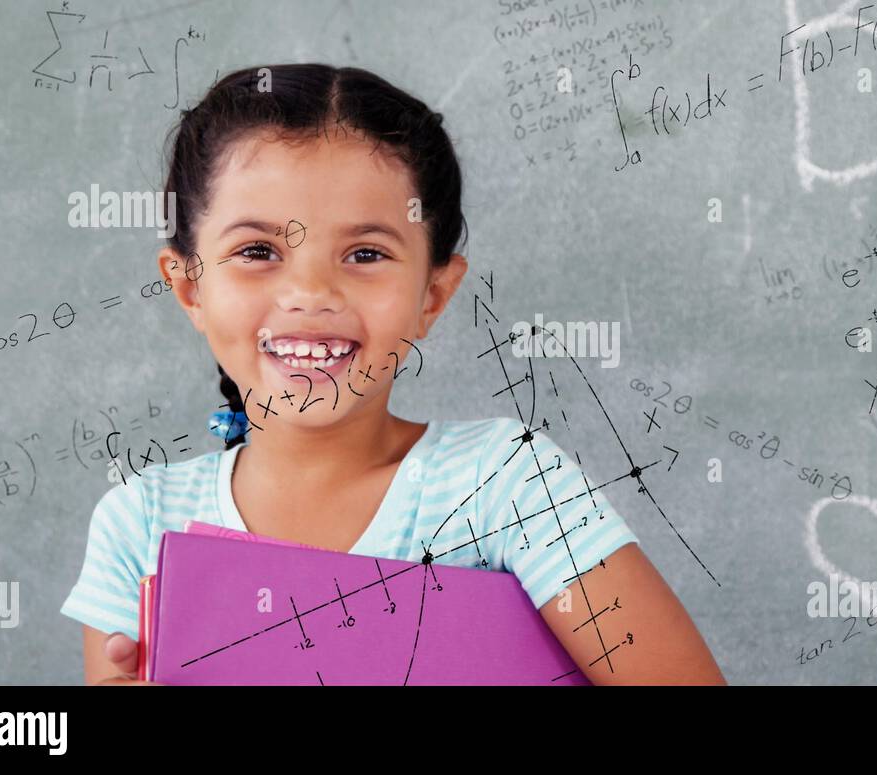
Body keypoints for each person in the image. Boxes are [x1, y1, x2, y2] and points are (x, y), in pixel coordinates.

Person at [60, 64, 725, 685]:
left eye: (366, 252)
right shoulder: (141, 523)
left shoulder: (506, 486)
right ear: (189, 287)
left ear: (432, 295)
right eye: (257, 250)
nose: (312, 292)